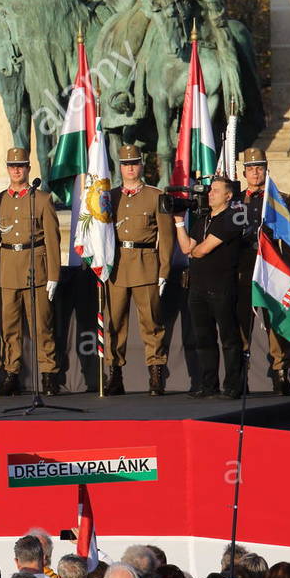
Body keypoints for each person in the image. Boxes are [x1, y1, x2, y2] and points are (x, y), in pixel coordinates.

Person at [0, 149, 61, 395]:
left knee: (42, 326)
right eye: (12, 166)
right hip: (8, 269)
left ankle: (48, 374)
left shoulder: (43, 199)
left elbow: (52, 240)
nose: (17, 170)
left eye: (21, 166)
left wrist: (53, 275)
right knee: (10, 327)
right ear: (7, 169)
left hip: (35, 268)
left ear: (28, 168)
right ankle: (11, 372)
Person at [105, 145, 172, 396]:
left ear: (141, 165)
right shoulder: (109, 197)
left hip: (146, 264)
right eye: (125, 163)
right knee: (115, 323)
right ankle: (115, 373)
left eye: (134, 163)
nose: (130, 167)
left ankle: (155, 371)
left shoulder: (156, 195)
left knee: (151, 323)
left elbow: (165, 236)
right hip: (118, 265)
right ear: (119, 167)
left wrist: (164, 269)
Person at [174, 176, 244, 398]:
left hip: (222, 288)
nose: (210, 194)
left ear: (228, 195)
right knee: (203, 339)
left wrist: (195, 251)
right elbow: (187, 247)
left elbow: (202, 250)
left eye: (215, 190)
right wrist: (178, 222)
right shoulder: (203, 220)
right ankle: (208, 384)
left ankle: (233, 385)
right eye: (210, 190)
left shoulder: (233, 218)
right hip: (198, 288)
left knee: (229, 339)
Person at [238, 148, 290, 394]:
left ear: (266, 169)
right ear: (244, 173)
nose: (255, 172)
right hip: (245, 267)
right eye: (251, 168)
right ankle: (241, 375)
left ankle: (280, 372)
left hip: (272, 269)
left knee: (276, 324)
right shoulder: (236, 199)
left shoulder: (279, 198)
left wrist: (289, 271)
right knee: (242, 323)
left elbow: (289, 238)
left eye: (259, 167)